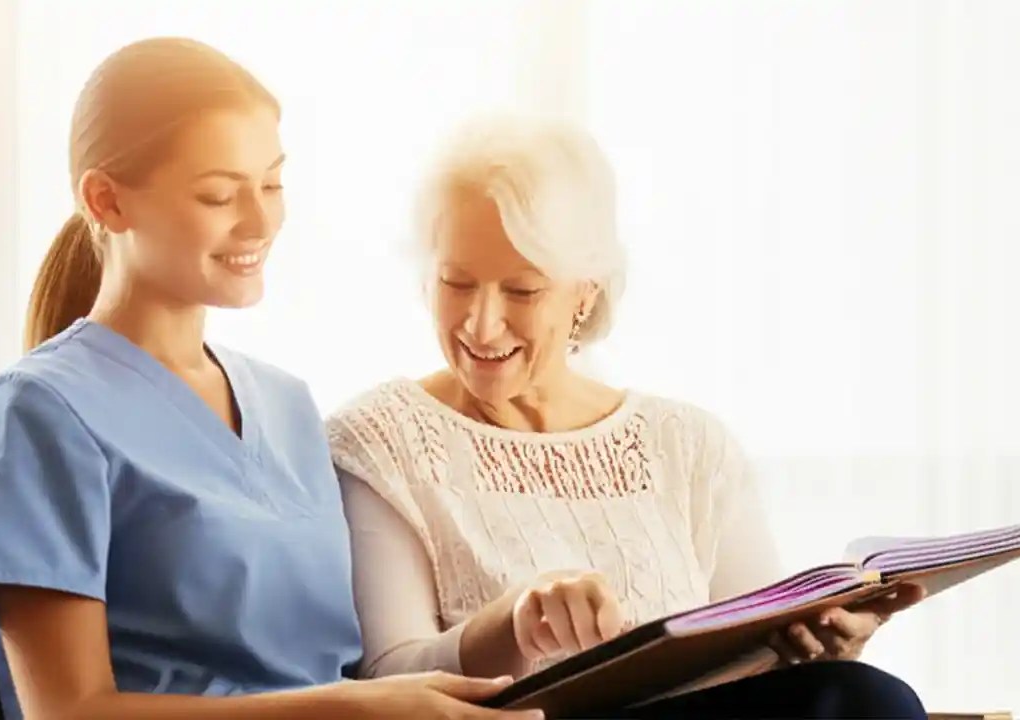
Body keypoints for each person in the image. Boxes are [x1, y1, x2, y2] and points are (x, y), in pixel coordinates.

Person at [0, 38, 543, 720]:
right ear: (107, 202)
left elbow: (355, 672)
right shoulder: (40, 411)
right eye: (218, 194)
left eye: (271, 184)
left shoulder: (288, 405)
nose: (262, 220)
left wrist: (512, 631)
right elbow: (69, 711)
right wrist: (352, 713)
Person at [326, 115, 929, 718]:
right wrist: (514, 625)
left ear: (584, 291)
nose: (481, 325)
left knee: (863, 697)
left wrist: (821, 647)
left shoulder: (688, 446)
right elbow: (390, 682)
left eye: (522, 291)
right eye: (456, 282)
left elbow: (759, 657)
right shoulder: (380, 439)